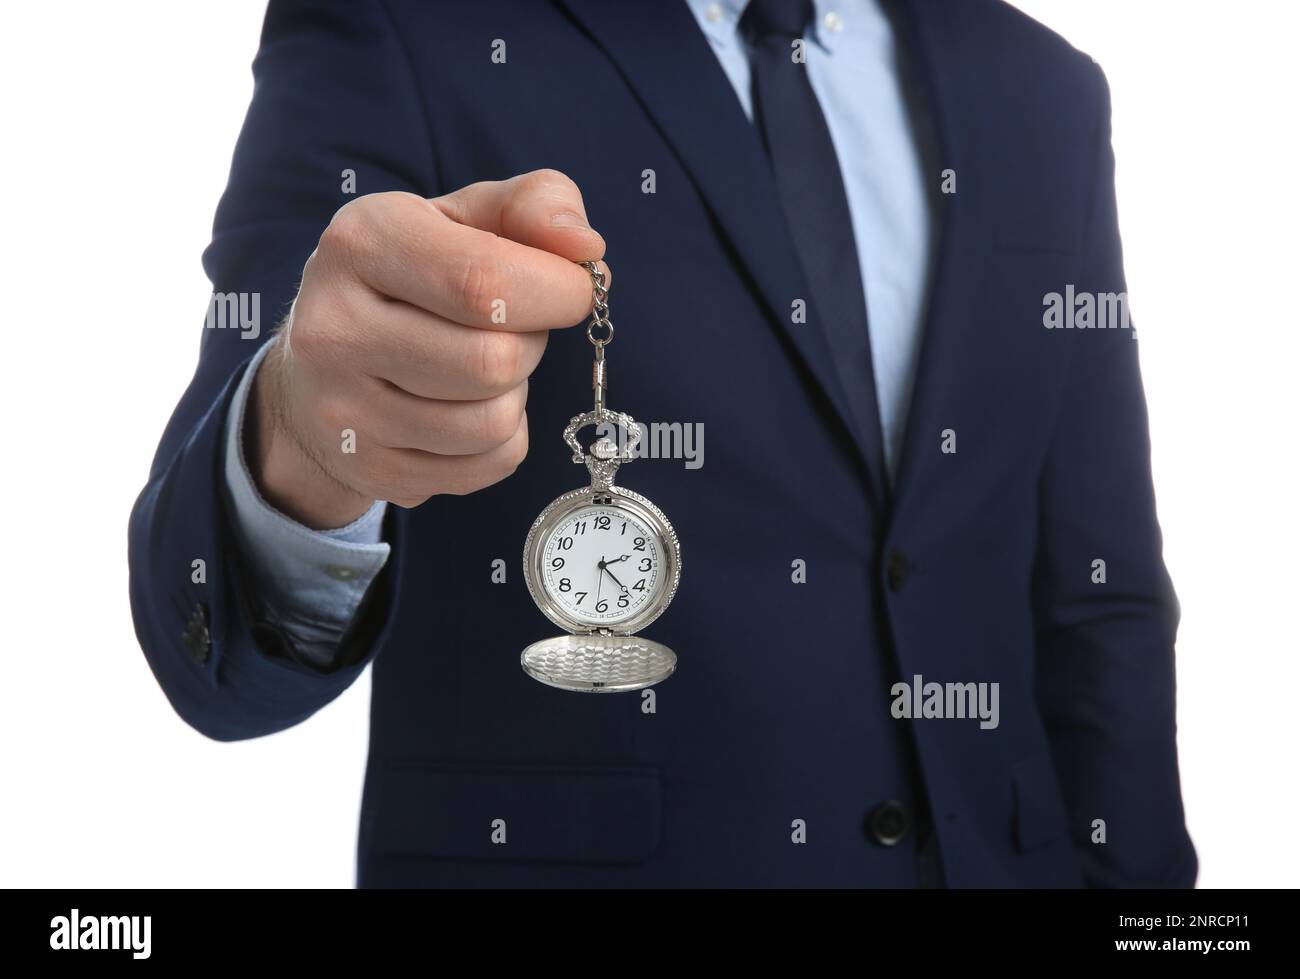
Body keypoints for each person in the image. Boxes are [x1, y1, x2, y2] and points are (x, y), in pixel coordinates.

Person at [128, 0, 1197, 887]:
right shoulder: (407, 27)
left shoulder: (1043, 87)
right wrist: (311, 440)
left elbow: (1096, 598)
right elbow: (207, 644)